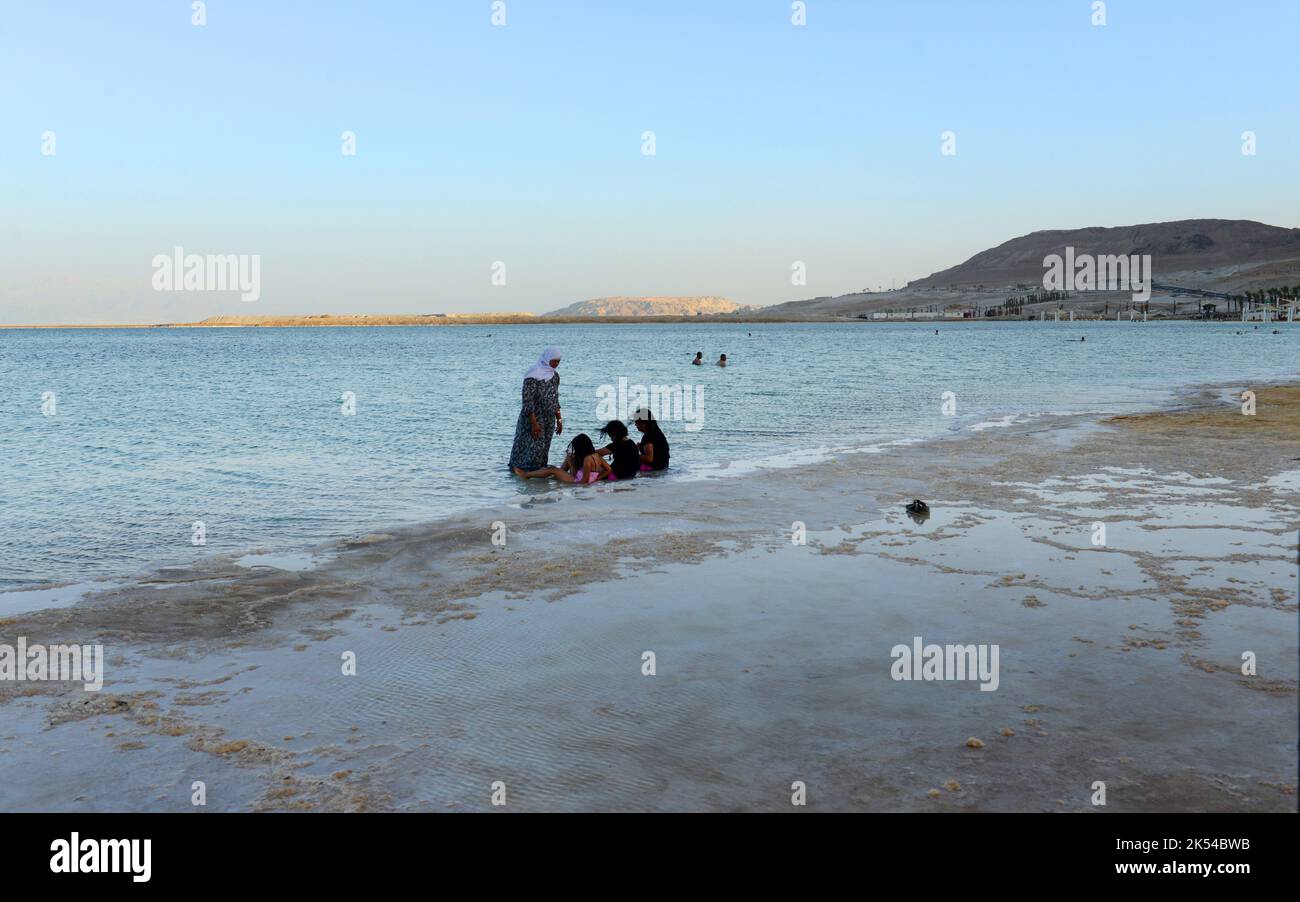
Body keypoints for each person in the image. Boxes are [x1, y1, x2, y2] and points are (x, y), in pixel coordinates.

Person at [508, 346, 563, 472]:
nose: (556, 364)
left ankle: (540, 482)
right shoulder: (532, 375)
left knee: (544, 448)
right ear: (546, 358)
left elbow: (555, 399)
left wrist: (559, 420)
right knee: (533, 447)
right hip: (533, 417)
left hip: (549, 418)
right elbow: (527, 401)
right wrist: (534, 423)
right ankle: (523, 474)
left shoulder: (555, 376)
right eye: (553, 361)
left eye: (558, 362)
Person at [514, 433, 610, 484]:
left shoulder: (587, 460)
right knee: (569, 458)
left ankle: (526, 475)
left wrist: (591, 481)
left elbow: (583, 482)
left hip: (577, 481)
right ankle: (554, 476)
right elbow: (609, 469)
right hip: (581, 477)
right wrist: (597, 478)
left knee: (553, 469)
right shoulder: (597, 456)